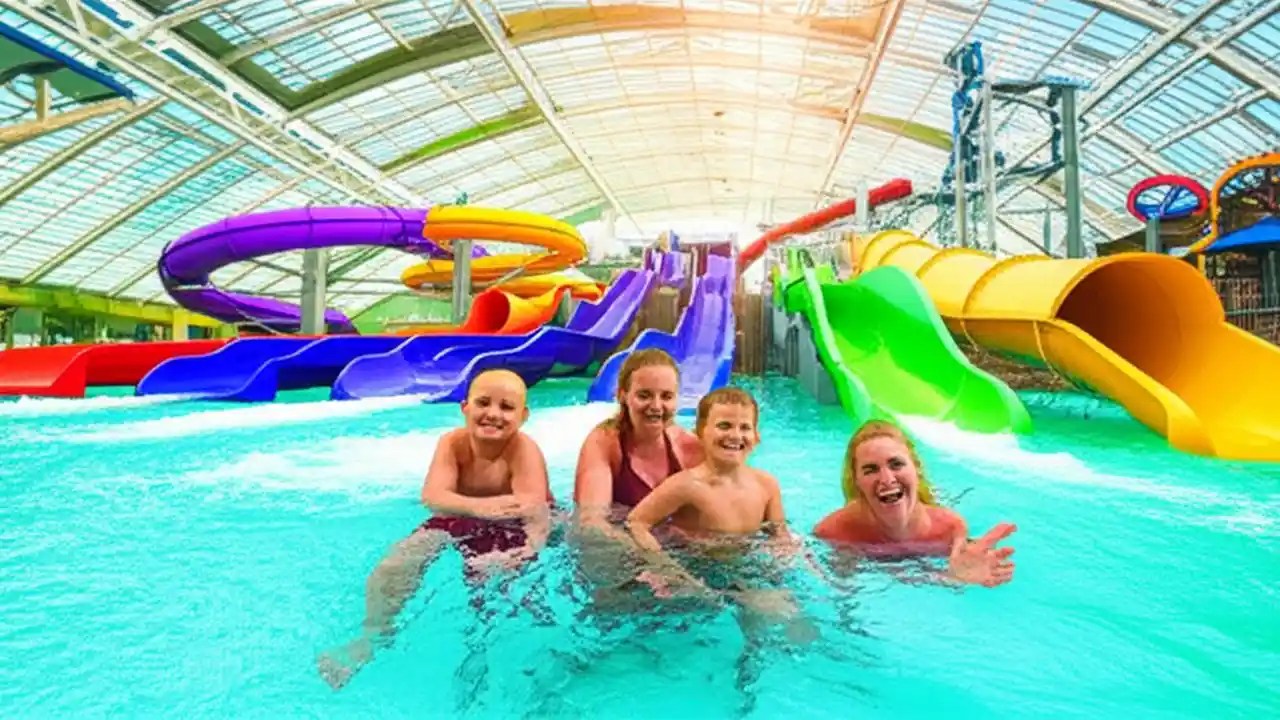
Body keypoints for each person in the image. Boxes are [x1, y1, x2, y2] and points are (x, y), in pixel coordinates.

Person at [318, 369, 553, 690]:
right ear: (464, 407)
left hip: (512, 521)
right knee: (394, 566)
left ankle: (496, 658)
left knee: (495, 583)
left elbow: (533, 508)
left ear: (523, 416)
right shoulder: (452, 443)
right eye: (483, 402)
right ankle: (372, 637)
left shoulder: (524, 450)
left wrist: (530, 549)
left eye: (507, 407)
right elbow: (433, 496)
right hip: (460, 513)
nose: (493, 414)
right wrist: (477, 507)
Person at [813, 419, 1016, 588]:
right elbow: (836, 592)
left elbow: (961, 572)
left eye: (896, 464)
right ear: (856, 483)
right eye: (871, 470)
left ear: (916, 469)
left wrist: (959, 579)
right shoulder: (835, 532)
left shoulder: (948, 529)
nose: (887, 478)